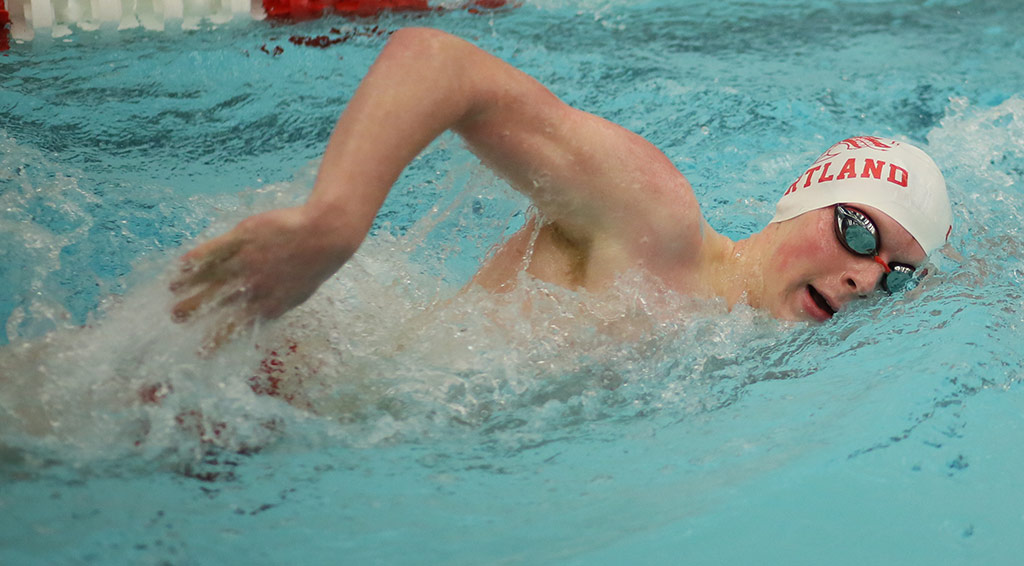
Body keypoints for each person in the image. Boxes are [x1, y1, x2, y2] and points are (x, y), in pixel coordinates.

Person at [170, 27, 953, 340]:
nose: (865, 276)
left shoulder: (741, 340)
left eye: (895, 274)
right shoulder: (656, 221)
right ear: (802, 201)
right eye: (858, 231)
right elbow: (439, 62)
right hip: (267, 372)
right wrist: (334, 223)